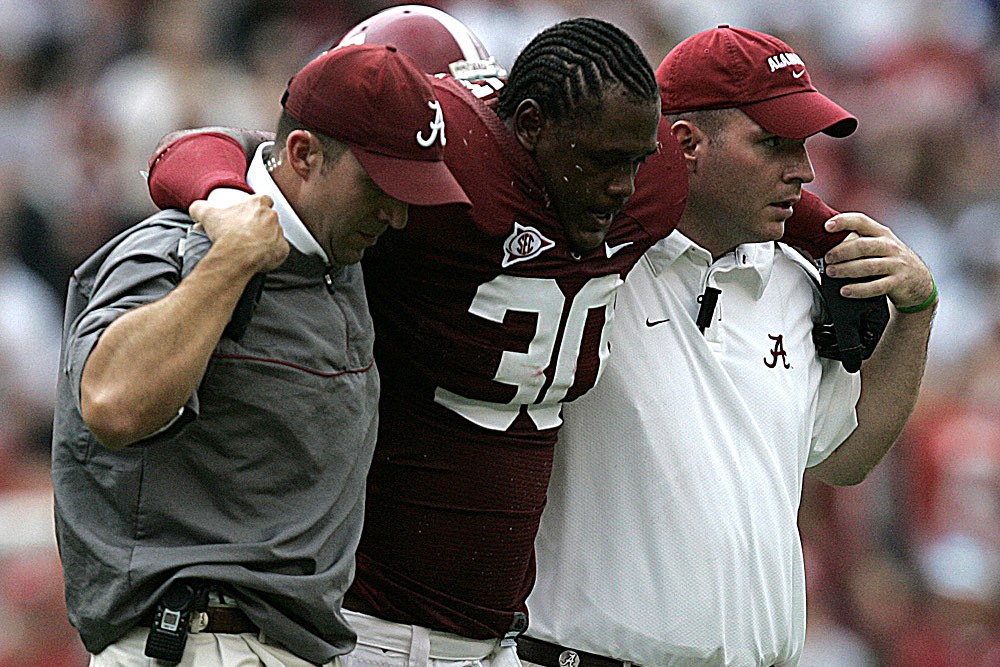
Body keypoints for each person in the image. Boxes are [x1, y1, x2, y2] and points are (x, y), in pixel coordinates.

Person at [140, 10, 864, 667]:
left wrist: (836, 234)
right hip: (369, 617)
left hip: (495, 638)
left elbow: (726, 176)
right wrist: (225, 203)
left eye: (633, 161)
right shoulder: (447, 161)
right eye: (602, 162)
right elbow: (218, 149)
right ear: (528, 126)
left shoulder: (649, 167)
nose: (622, 189)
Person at [515, 26, 936, 667]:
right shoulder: (591, 270)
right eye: (772, 144)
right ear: (682, 143)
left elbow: (842, 459)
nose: (804, 170)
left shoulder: (801, 285)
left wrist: (917, 313)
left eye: (802, 144)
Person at [51, 43, 470, 667]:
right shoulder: (172, 250)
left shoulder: (336, 244)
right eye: (380, 185)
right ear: (303, 156)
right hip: (196, 640)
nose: (398, 214)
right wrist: (234, 257)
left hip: (290, 644)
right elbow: (111, 406)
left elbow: (219, 144)